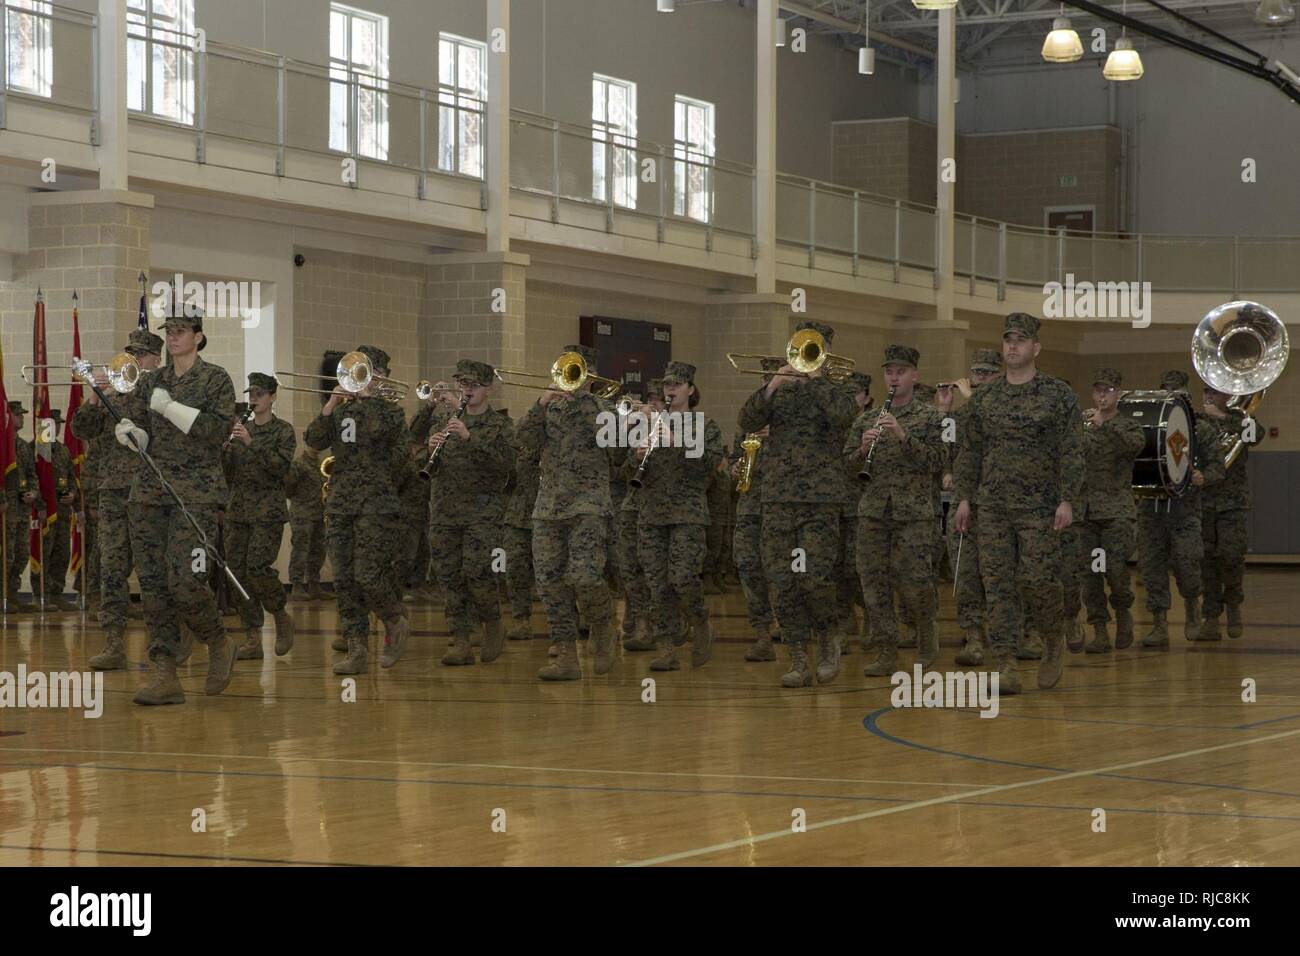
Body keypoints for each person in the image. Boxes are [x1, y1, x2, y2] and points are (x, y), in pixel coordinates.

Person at [113, 307, 239, 705]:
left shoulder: (215, 378)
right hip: (149, 491)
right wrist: (131, 434)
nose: (173, 338)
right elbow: (142, 429)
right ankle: (165, 673)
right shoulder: (154, 379)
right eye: (170, 331)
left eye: (182, 331)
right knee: (152, 586)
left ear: (199, 337)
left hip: (195, 492)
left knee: (184, 580)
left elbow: (217, 431)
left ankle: (217, 641)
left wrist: (170, 408)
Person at [953, 313, 1085, 694]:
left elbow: (1072, 451)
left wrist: (1067, 499)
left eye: (1020, 340)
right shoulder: (987, 397)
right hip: (992, 505)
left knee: (1039, 580)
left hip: (1040, 506)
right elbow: (970, 451)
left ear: (1036, 348)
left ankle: (1052, 639)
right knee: (997, 585)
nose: (1012, 346)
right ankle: (1006, 663)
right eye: (1008, 340)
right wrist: (964, 497)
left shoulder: (1058, 395)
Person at [738, 320, 858, 688]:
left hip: (819, 501)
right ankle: (797, 657)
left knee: (815, 578)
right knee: (781, 580)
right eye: (804, 347)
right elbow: (747, 420)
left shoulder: (840, 388)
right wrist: (773, 385)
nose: (806, 356)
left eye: (814, 348)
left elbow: (843, 417)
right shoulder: (781, 387)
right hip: (776, 497)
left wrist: (817, 378)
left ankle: (827, 642)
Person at [305, 344, 412, 674]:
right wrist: (331, 404)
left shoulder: (391, 413)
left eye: (367, 370)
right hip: (340, 503)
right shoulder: (340, 411)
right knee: (345, 580)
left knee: (368, 575)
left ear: (381, 376)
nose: (360, 377)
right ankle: (356, 648)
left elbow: (396, 459)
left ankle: (394, 619)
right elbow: (313, 438)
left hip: (376, 505)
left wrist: (365, 399)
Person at [516, 343, 620, 680]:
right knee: (549, 582)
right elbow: (526, 441)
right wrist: (542, 401)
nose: (567, 377)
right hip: (548, 507)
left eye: (576, 369)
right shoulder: (548, 410)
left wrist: (584, 401)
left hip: (588, 505)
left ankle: (604, 624)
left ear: (589, 374)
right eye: (565, 368)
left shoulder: (604, 409)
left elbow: (616, 450)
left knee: (585, 576)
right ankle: (566, 654)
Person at [845, 346, 945, 677]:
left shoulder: (932, 418)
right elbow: (846, 466)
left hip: (913, 513)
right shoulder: (864, 419)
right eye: (889, 372)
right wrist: (862, 448)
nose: (894, 377)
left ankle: (927, 641)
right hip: (874, 511)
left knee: (914, 581)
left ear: (914, 376)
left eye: (901, 372)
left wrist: (903, 435)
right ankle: (886, 649)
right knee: (873, 580)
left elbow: (938, 461)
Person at [73, 329, 163, 668]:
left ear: (156, 359)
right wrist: (95, 396)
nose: (135, 361)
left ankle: (162, 641)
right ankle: (113, 643)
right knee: (110, 567)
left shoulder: (159, 392)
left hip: (148, 490)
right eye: (131, 354)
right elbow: (81, 430)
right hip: (112, 491)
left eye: (142, 355)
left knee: (152, 569)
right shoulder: (114, 393)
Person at [631, 361, 722, 671]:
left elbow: (708, 465)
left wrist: (675, 440)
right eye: (667, 384)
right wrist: (635, 448)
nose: (670, 389)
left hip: (688, 513)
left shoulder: (704, 425)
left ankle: (700, 623)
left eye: (677, 385)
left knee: (683, 577)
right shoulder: (649, 425)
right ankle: (667, 647)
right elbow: (618, 468)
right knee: (657, 583)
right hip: (652, 512)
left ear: (690, 390)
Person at [425, 360, 516, 666]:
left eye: (474, 385)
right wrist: (429, 451)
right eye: (463, 385)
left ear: (488, 389)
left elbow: (505, 466)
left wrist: (469, 438)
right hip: (444, 512)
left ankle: (492, 624)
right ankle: (461, 639)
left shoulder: (500, 425)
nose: (467, 390)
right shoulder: (443, 421)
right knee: (449, 577)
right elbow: (424, 470)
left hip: (482, 513)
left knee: (478, 573)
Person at [1137, 370, 1224, 648]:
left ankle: (1192, 612)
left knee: (1187, 564)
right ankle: (1159, 624)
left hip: (1185, 511)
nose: (1170, 397)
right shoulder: (1147, 426)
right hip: (1152, 510)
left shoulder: (1202, 429)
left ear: (1185, 396)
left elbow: (1218, 467)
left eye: (1176, 392)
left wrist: (1204, 477)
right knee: (1151, 568)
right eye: (1165, 392)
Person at [935, 349, 1003, 666]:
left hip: (1000, 504)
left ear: (999, 376)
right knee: (964, 573)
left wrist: (969, 399)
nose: (980, 379)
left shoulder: (1007, 409)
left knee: (1002, 575)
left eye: (988, 373)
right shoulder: (960, 416)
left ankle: (1013, 637)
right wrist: (944, 410)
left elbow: (993, 429)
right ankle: (974, 637)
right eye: (976, 373)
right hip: (966, 502)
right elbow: (942, 448)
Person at [225, 373, 297, 661]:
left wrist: (251, 443)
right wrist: (226, 450)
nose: (253, 398)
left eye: (259, 393)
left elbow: (280, 468)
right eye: (251, 393)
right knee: (237, 573)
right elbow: (229, 475)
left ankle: (279, 614)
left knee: (257, 568)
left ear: (272, 397)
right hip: (239, 510)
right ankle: (252, 635)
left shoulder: (283, 431)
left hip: (267, 510)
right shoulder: (242, 427)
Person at [1076, 368, 1145, 653]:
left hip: (1116, 513)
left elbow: (1133, 447)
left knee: (1115, 571)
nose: (1102, 396)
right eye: (1098, 391)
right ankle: (1100, 630)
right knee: (1091, 576)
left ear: (1118, 394)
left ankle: (1124, 616)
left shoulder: (1128, 426)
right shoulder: (1083, 425)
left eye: (1108, 390)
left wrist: (1104, 425)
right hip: (1088, 516)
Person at [1198, 383, 1260, 641]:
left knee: (1232, 555)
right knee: (1207, 560)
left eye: (1215, 392)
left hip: (1232, 502)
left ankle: (1233, 605)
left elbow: (1256, 435)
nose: (1210, 397)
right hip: (1203, 502)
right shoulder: (1196, 422)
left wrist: (1223, 418)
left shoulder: (1242, 418)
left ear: (1227, 396)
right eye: (1206, 392)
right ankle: (1211, 616)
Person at [731, 362, 780, 662]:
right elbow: (737, 456)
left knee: (783, 571)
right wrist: (738, 466)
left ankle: (795, 627)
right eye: (766, 380)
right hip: (750, 505)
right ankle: (763, 634)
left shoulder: (800, 419)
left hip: (781, 505)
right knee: (749, 566)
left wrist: (776, 435)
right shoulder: (752, 416)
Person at [616, 380, 665, 653]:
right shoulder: (636, 432)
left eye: (658, 400)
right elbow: (618, 469)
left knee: (659, 572)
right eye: (650, 400)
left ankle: (664, 623)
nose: (653, 405)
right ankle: (641, 621)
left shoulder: (684, 427)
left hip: (663, 509)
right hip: (633, 506)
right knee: (630, 568)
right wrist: (635, 453)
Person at [836, 371, 873, 656]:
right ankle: (844, 619)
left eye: (856, 394)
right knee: (834, 566)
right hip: (832, 504)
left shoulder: (871, 424)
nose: (851, 399)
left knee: (856, 567)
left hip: (860, 505)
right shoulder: (833, 423)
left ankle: (872, 615)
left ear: (867, 398)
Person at [38, 409, 79, 611]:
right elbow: (32, 480)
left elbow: (72, 479)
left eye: (60, 424)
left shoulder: (64, 451)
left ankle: (57, 594)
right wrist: (38, 506)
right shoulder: (37, 450)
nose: (58, 427)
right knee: (44, 553)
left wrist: (72, 495)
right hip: (44, 512)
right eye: (54, 423)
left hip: (62, 513)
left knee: (62, 554)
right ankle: (41, 595)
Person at [3, 401, 38, 611]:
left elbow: (32, 475)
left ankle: (11, 593)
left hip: (23, 509)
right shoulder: (2, 445)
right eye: (18, 415)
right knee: (6, 553)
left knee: (22, 552)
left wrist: (33, 493)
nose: (22, 418)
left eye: (22, 415)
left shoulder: (24, 446)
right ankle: (2, 594)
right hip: (6, 508)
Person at [285, 443, 326, 601]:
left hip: (319, 513)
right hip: (302, 513)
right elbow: (288, 488)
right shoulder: (298, 464)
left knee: (318, 550)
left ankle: (314, 584)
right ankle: (296, 585)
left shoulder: (320, 464)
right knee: (300, 550)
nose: (317, 445)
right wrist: (300, 501)